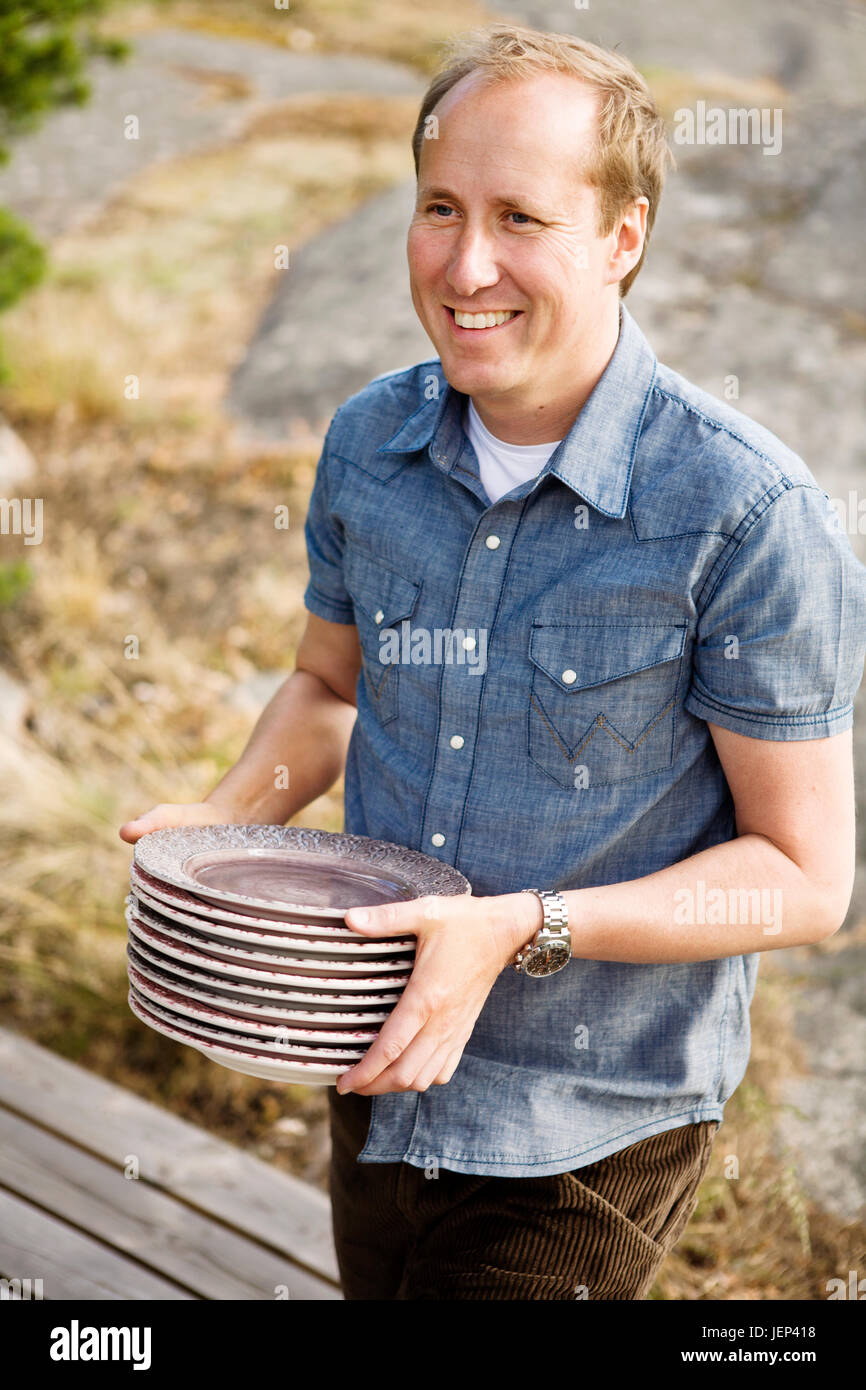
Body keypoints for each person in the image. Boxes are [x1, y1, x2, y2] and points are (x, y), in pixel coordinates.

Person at [120, 24, 866, 1300]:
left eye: (522, 216)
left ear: (621, 238)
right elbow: (326, 690)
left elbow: (801, 883)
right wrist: (221, 819)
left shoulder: (743, 512)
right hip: (367, 1066)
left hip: (587, 1132)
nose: (467, 264)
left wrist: (525, 928)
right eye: (439, 208)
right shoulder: (368, 443)